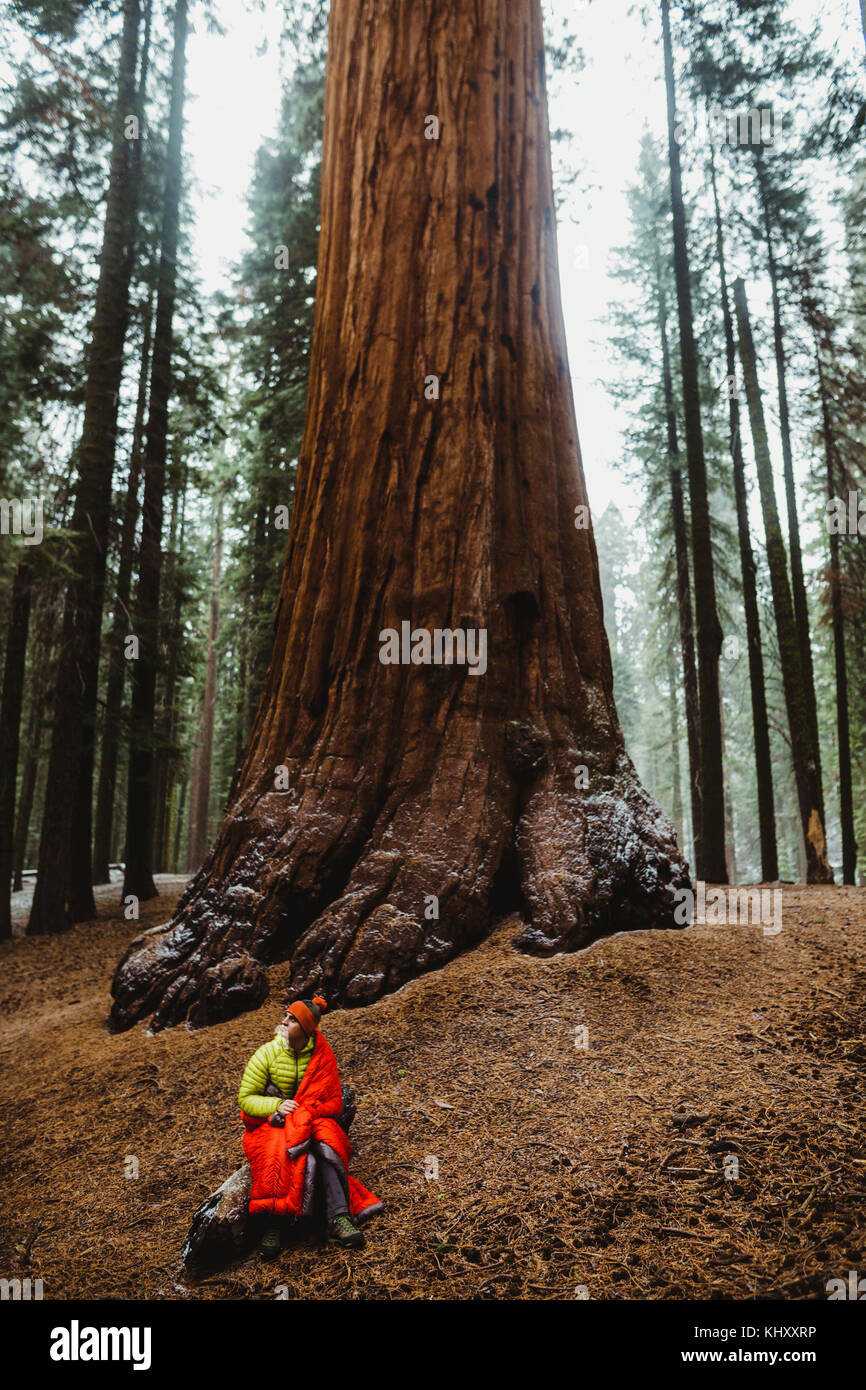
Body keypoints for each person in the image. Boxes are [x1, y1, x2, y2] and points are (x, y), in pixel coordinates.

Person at [238, 995, 382, 1261]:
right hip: (273, 1121)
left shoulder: (321, 1053)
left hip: (309, 1116)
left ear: (305, 1028)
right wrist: (276, 1105)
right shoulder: (266, 1054)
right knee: (275, 1150)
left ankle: (338, 1217)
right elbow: (246, 1099)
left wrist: (307, 1111)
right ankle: (274, 1225)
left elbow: (333, 1100)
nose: (284, 1022)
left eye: (292, 1019)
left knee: (329, 1144)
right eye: (285, 1016)